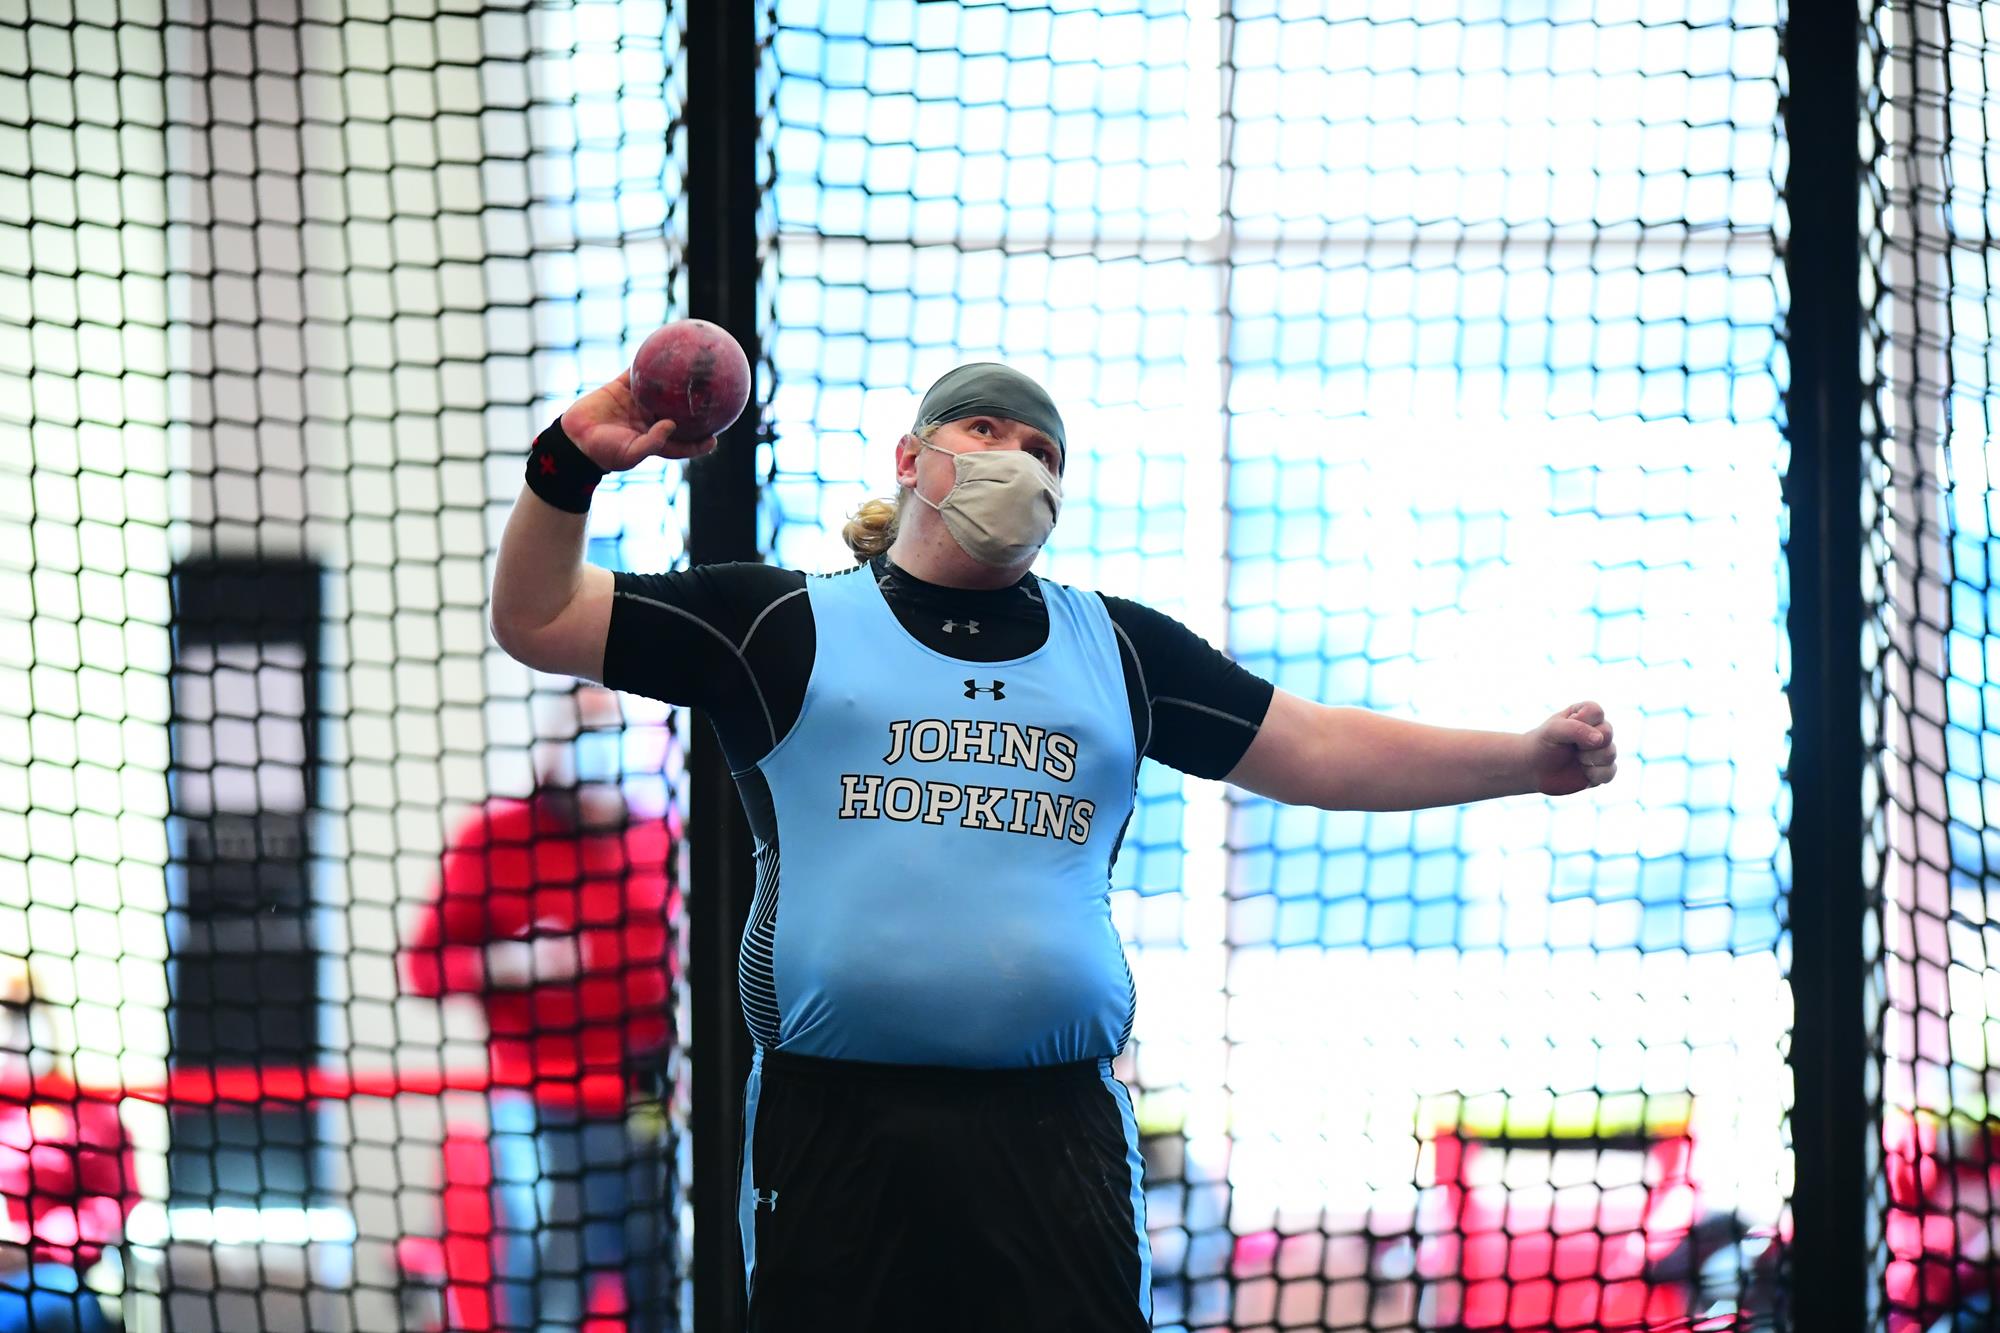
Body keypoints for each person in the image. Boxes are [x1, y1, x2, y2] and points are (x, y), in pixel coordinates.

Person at [488, 361, 1619, 1332]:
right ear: (911, 456)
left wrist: (1522, 758)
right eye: (983, 431)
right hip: (837, 1129)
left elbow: (1314, 748)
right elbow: (541, 618)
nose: (1015, 461)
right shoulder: (780, 624)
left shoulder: (1116, 648)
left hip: (1055, 1133)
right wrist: (572, 455)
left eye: (1042, 450)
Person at [400, 683, 681, 1332]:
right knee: (547, 1254)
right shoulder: (498, 837)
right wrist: (514, 962)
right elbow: (422, 967)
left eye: (610, 733)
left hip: (641, 1089)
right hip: (536, 1091)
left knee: (651, 1245)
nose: (598, 749)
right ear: (553, 741)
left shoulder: (660, 836)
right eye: (583, 733)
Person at [0, 957, 128, 1333]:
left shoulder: (88, 1111)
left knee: (57, 1307)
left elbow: (109, 1210)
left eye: (27, 1010)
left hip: (51, 1279)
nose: (18, 1027)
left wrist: (27, 1246)